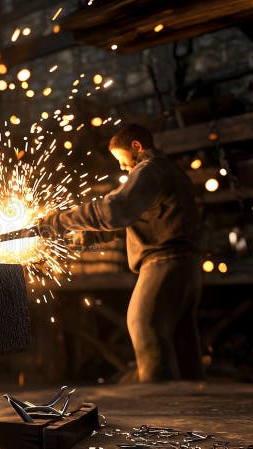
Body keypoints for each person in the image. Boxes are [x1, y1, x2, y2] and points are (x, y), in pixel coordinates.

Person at [38, 124, 203, 382]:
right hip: (186, 267)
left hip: (163, 264)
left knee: (145, 328)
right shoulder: (171, 172)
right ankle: (196, 406)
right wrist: (90, 235)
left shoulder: (149, 170)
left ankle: (161, 409)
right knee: (182, 343)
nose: (122, 167)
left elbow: (116, 209)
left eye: (121, 159)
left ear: (136, 146)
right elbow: (137, 220)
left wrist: (59, 220)